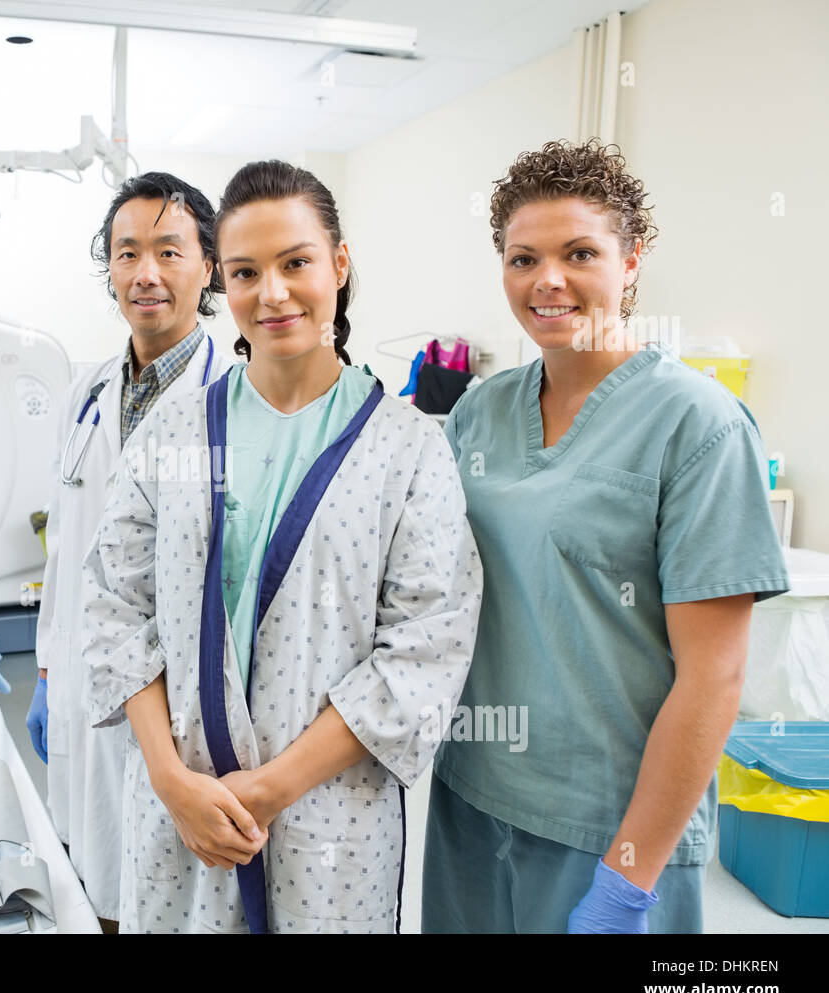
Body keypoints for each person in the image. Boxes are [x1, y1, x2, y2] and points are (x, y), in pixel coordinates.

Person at [81, 159, 482, 933]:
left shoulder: (408, 448)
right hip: (179, 806)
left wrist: (262, 793)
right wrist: (172, 782)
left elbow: (425, 648)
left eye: (295, 263)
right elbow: (114, 603)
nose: (271, 294)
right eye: (244, 272)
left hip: (327, 818)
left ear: (338, 263)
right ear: (219, 285)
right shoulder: (176, 430)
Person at [421, 139, 790, 933]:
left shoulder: (697, 426)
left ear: (631, 261)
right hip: (471, 800)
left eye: (580, 252)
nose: (547, 280)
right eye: (524, 259)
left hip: (611, 830)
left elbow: (714, 680)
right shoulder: (480, 413)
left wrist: (627, 883)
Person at [27, 171, 233, 929]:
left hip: (172, 711)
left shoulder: (230, 403)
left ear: (207, 266)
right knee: (89, 876)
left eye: (169, 252)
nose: (146, 273)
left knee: (163, 897)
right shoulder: (84, 394)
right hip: (80, 683)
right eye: (126, 253)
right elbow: (64, 551)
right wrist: (48, 667)